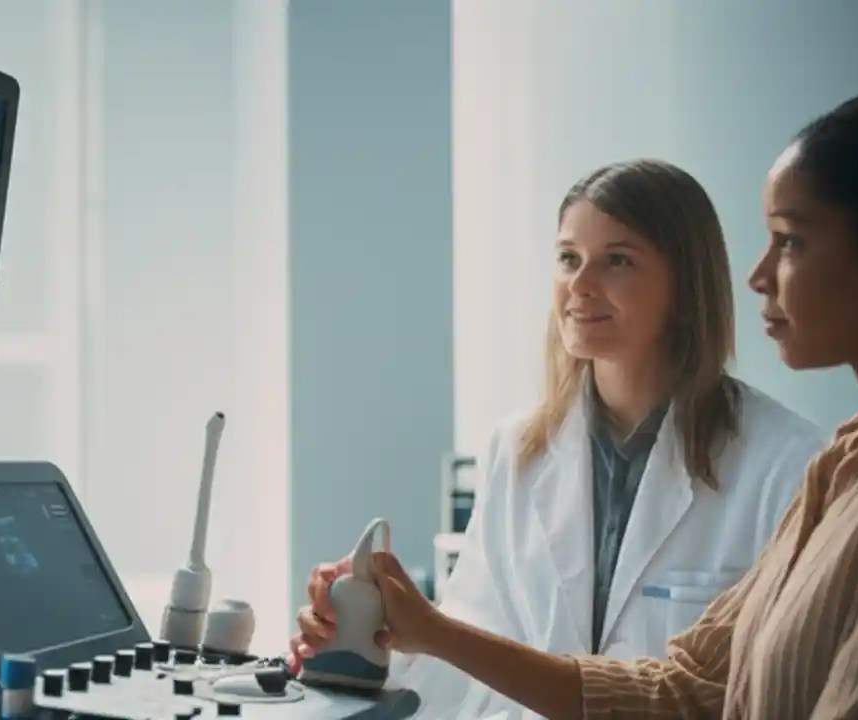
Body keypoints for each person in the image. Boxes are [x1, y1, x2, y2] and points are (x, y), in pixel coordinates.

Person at [307, 85, 858, 719]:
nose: (759, 275)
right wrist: (384, 643)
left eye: (790, 241)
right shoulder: (851, 463)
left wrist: (431, 634)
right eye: (568, 259)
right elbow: (685, 689)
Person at [290, 158, 826, 718]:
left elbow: (767, 693)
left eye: (617, 260)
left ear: (687, 284)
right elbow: (466, 662)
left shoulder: (788, 465)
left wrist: (431, 634)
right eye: (569, 259)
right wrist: (368, 642)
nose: (580, 285)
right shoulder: (516, 450)